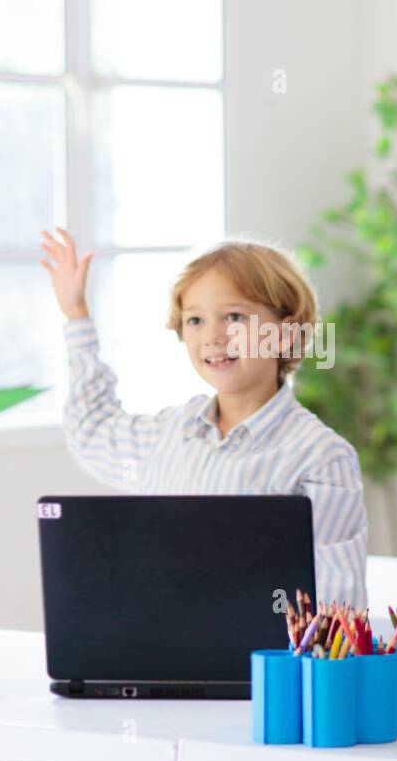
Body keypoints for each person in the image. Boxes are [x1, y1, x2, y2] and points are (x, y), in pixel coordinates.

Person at [40, 229, 368, 607]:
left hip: (259, 644)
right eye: (195, 320)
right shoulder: (169, 434)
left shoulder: (322, 457)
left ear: (283, 334)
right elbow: (91, 429)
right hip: (165, 640)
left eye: (233, 316)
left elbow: (337, 601)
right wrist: (76, 316)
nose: (212, 336)